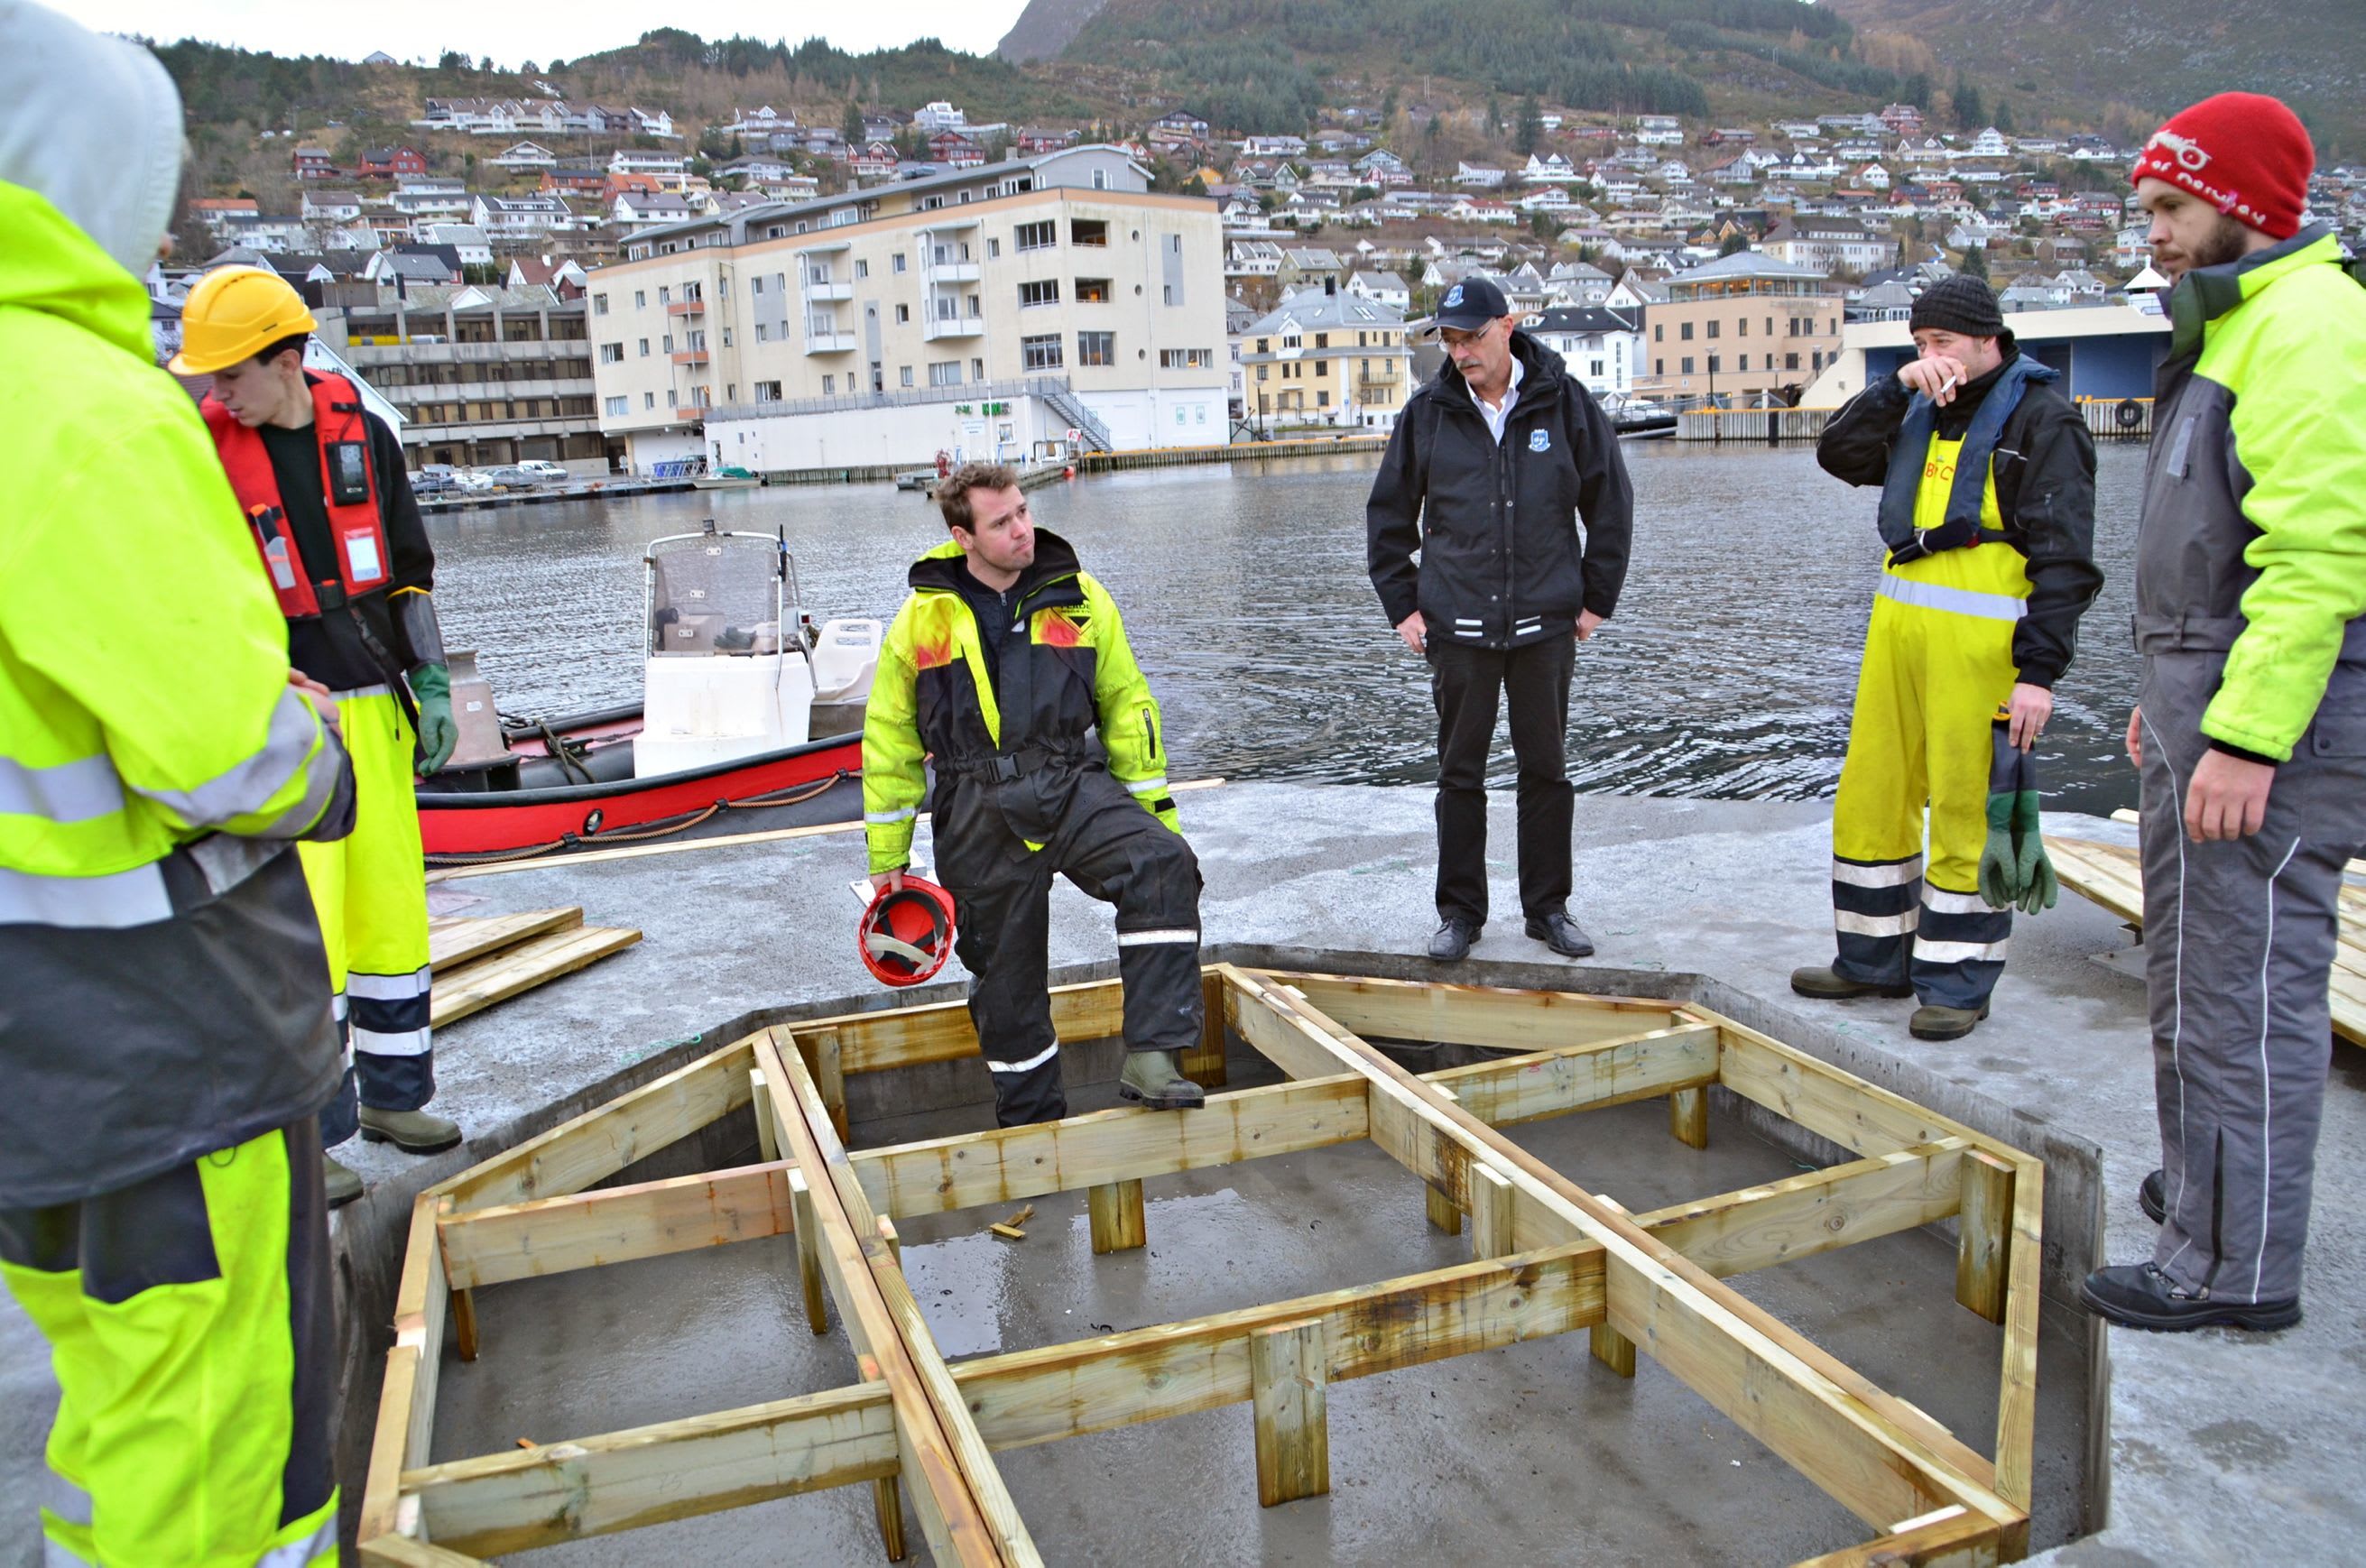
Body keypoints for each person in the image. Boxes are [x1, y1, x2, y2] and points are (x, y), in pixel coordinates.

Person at [0, 6, 353, 1562]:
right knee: (229, 1455)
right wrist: (322, 744)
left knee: (120, 1424)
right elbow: (226, 750)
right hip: (159, 1037)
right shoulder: (77, 407)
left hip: (44, 1067)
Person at [2081, 93, 2366, 1333]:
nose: (2152, 231)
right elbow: (2214, 567)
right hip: (2207, 697)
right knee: (2194, 974)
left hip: (2274, 733)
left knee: (2241, 991)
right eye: (2147, 207)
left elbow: (2316, 557)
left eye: (2170, 207)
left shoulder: (2305, 327)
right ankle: (2202, 1194)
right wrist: (2172, 705)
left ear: (2240, 204)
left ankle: (2229, 1268)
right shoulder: (2237, 325)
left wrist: (2244, 736)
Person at [171, 266, 463, 1205]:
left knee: (389, 909)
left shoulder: (365, 439)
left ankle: (394, 1096)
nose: (217, 393)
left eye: (231, 375)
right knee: (304, 932)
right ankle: (315, 1129)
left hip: (376, 704)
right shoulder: (202, 454)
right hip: (285, 712)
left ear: (289, 360)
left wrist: (430, 677)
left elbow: (408, 570)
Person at [1793, 274, 2101, 1041]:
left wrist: (2038, 676)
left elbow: (2066, 563)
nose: (1931, 356)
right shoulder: (1919, 409)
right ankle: (1871, 961)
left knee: (1967, 808)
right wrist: (1894, 387)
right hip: (1897, 639)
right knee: (1872, 793)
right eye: (1921, 344)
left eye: (1943, 344)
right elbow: (1839, 453)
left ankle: (1958, 982)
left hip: (1984, 652)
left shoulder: (2044, 421)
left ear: (1987, 339)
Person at [863, 464, 1206, 1126]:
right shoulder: (920, 620)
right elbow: (889, 739)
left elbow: (1126, 703)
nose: (1023, 529)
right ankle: (1032, 1123)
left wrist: (1158, 813)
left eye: (1023, 511)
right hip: (974, 805)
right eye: (1002, 522)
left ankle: (1154, 1057)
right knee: (1006, 978)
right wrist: (888, 857)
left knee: (1162, 865)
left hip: (1067, 779)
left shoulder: (1078, 595)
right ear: (963, 536)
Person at [1365, 276, 1634, 964]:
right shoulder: (1426, 414)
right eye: (1449, 340)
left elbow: (1610, 504)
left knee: (1547, 771)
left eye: (1471, 336)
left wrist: (1596, 600)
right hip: (1456, 628)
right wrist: (1404, 608)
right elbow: (1387, 521)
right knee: (1460, 773)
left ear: (1507, 326)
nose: (1459, 352)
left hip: (1546, 623)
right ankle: (1460, 913)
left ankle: (1548, 909)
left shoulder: (1564, 403)